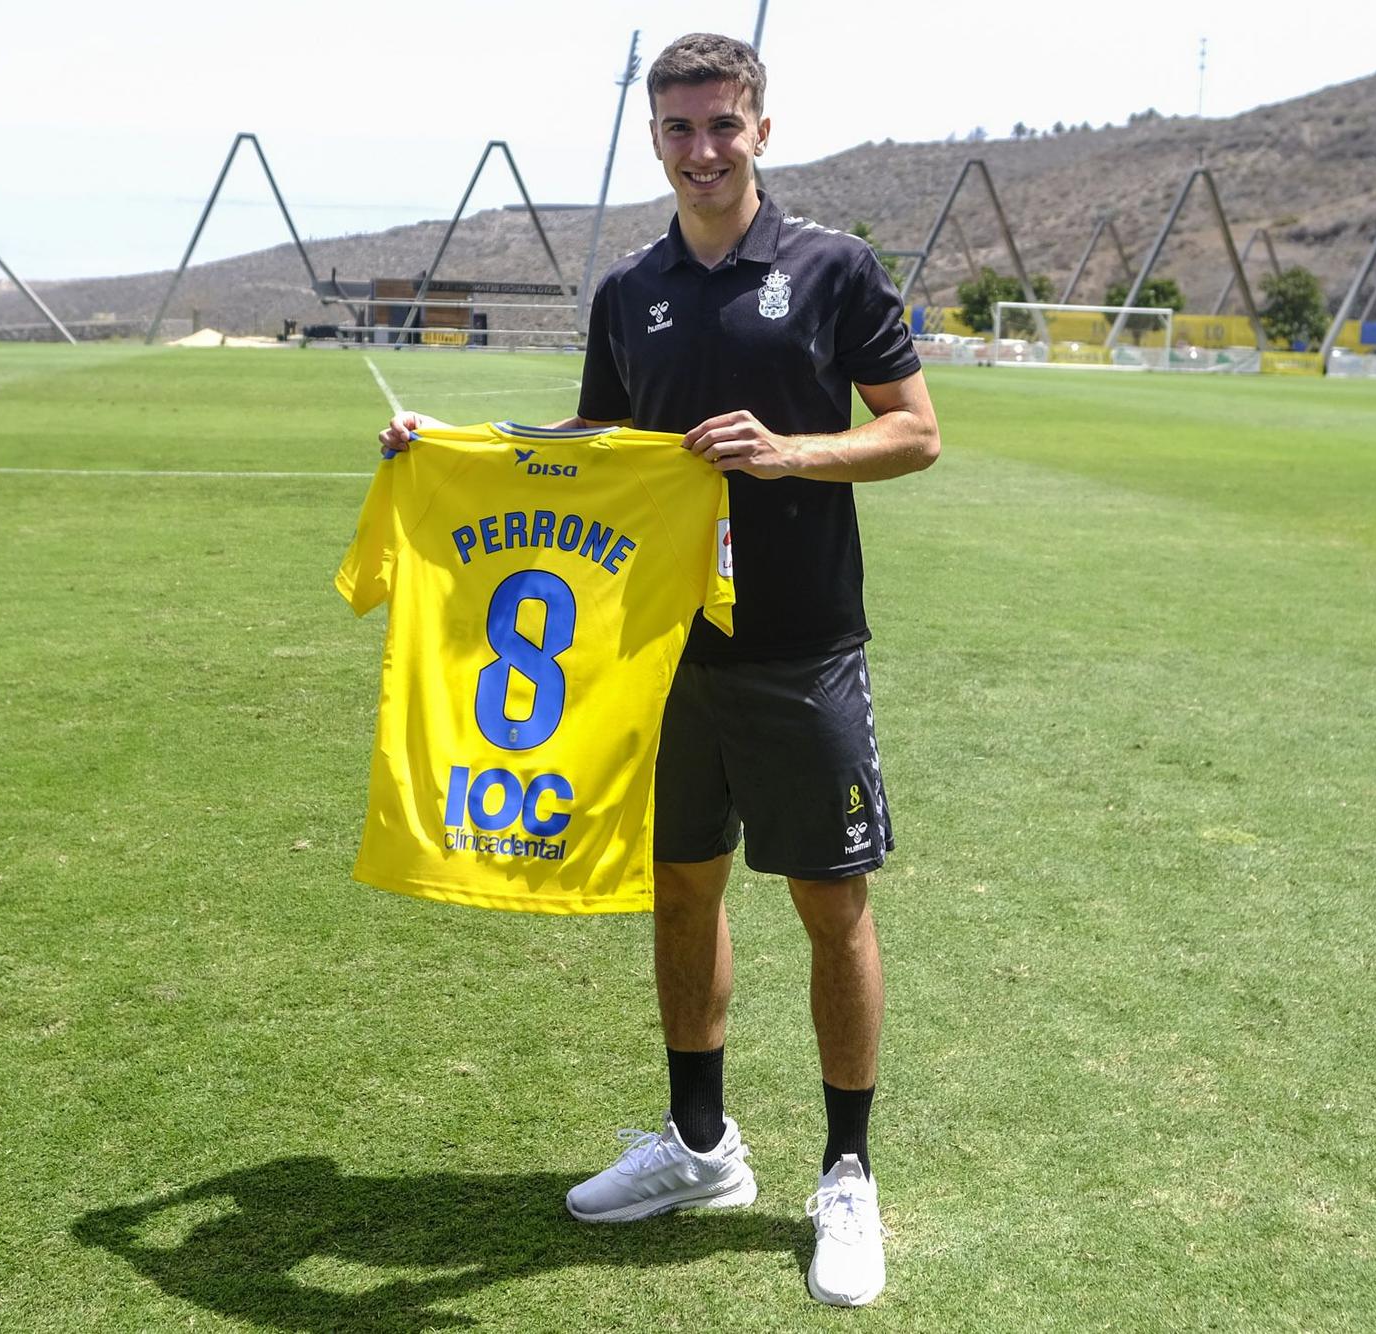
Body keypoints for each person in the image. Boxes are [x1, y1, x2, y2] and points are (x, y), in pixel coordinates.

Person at [376, 32, 939, 1308]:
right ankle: (698, 1145)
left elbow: (913, 433)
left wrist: (790, 453)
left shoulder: (832, 266)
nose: (702, 148)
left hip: (799, 645)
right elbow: (593, 437)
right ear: (653, 139)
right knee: (681, 889)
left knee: (829, 903)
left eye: (722, 124)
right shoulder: (630, 288)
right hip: (657, 647)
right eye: (679, 128)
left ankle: (846, 1171)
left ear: (761, 130)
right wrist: (452, 446)